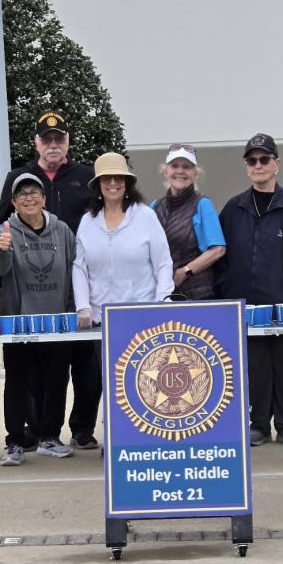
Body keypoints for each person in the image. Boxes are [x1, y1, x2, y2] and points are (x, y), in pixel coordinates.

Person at [0, 110, 97, 450]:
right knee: (32, 373)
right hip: (29, 295)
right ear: (37, 143)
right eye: (46, 139)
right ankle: (36, 431)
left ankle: (81, 429)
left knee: (83, 368)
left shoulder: (86, 176)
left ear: (67, 141)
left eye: (59, 138)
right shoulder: (19, 177)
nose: (53, 144)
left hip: (76, 290)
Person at [216, 133, 283, 447]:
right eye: (252, 160)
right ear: (247, 167)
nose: (258, 165)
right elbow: (222, 257)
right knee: (255, 368)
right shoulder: (234, 209)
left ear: (276, 164)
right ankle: (259, 423)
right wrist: (229, 295)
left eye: (264, 159)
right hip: (247, 309)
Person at [73, 152, 174, 443]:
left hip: (141, 315)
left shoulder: (145, 216)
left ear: (127, 183)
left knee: (144, 381)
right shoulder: (87, 222)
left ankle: (145, 438)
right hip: (101, 318)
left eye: (119, 178)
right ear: (98, 184)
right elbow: (79, 267)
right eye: (107, 179)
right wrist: (82, 307)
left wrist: (162, 301)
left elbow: (163, 263)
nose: (113, 183)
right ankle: (115, 440)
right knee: (109, 381)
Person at [0, 173, 76, 466]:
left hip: (56, 320)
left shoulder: (62, 230)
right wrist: (2, 250)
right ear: (13, 202)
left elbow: (76, 267)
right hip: (18, 322)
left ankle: (51, 436)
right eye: (22, 194)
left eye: (34, 192)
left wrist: (76, 308)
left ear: (44, 198)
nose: (29, 198)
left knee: (56, 380)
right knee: (16, 382)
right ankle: (14, 442)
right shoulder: (4, 230)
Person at [151, 144, 226, 299]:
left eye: (186, 167)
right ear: (166, 171)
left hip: (199, 296)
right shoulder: (154, 207)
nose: (180, 171)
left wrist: (185, 271)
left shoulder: (203, 204)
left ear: (195, 174)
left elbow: (218, 249)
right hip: (164, 296)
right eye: (174, 166)